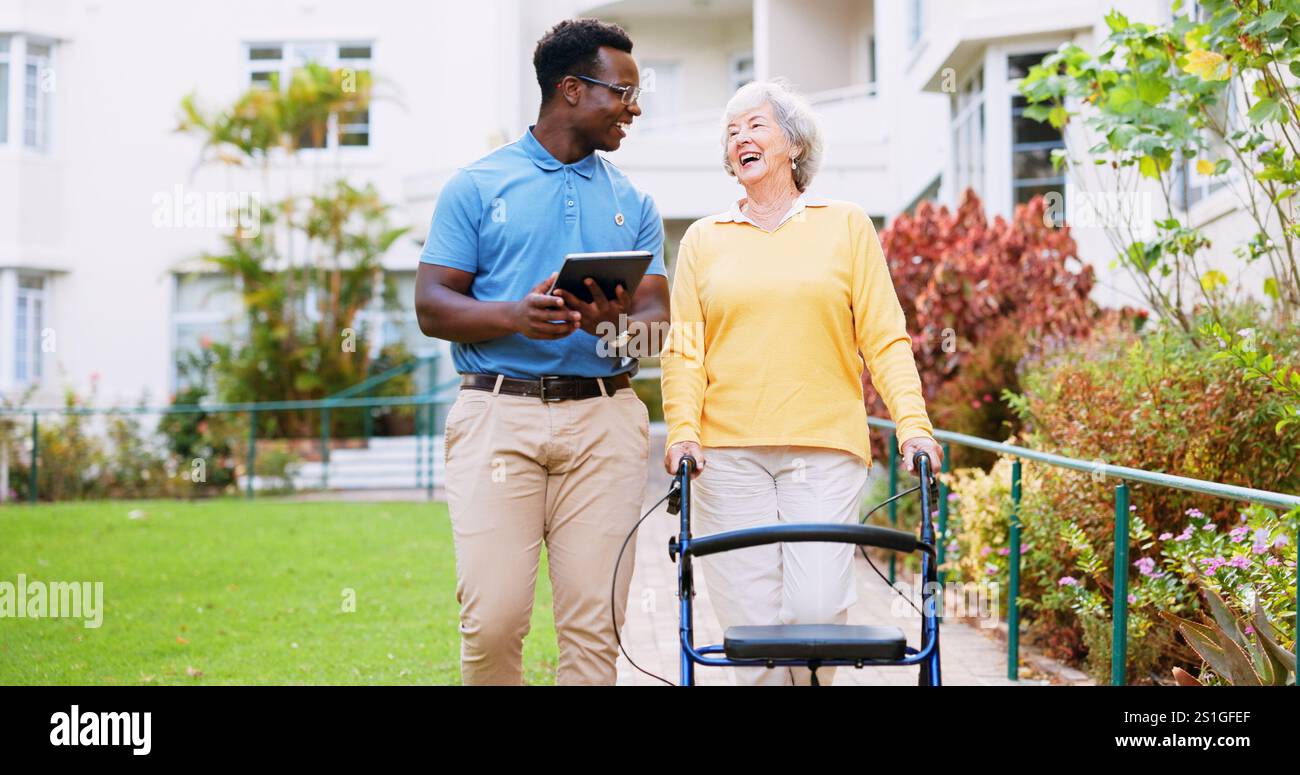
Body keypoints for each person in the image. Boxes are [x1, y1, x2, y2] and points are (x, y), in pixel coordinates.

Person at [660, 79, 943, 686]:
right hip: (726, 454)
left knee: (816, 609)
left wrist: (913, 426)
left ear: (792, 143)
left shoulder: (844, 225)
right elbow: (683, 350)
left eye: (755, 125)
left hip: (823, 446)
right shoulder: (704, 241)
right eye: (732, 131)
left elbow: (884, 337)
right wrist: (681, 432)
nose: (741, 138)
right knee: (752, 626)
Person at [414, 18, 669, 685]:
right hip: (498, 419)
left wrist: (613, 322)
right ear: (570, 89)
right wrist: (514, 315)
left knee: (595, 629)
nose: (633, 109)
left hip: (605, 423)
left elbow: (658, 331)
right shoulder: (475, 185)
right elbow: (432, 305)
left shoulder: (633, 201)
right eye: (623, 93)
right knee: (493, 620)